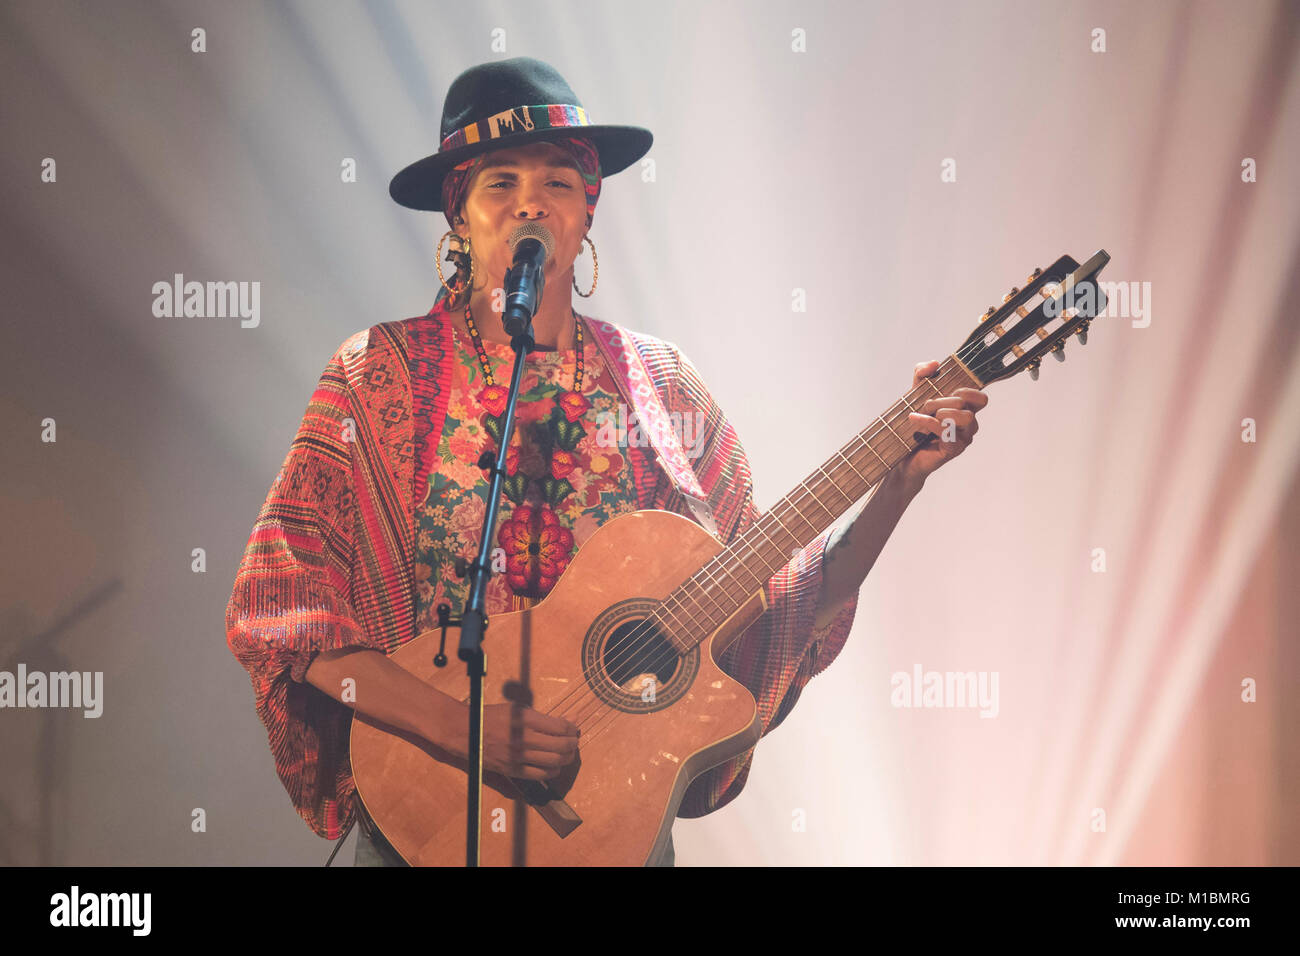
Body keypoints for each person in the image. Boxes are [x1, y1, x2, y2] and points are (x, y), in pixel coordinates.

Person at [225, 57, 987, 867]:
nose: (529, 201)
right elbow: (284, 616)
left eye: (557, 181)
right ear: (460, 215)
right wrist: (466, 732)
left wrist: (897, 485)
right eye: (498, 182)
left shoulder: (659, 388)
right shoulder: (376, 375)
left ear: (588, 211)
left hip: (603, 830)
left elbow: (788, 598)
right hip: (427, 822)